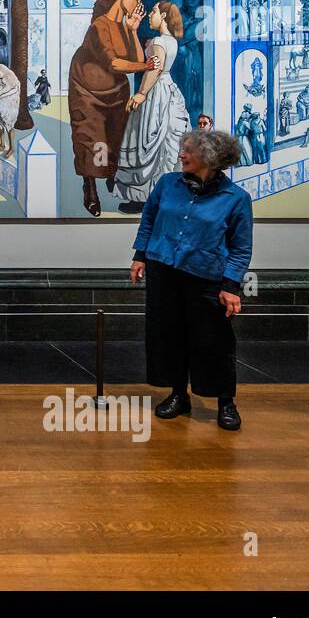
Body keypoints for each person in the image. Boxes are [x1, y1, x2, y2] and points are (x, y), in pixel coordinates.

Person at [130, 129, 252, 431]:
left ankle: (226, 402)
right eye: (183, 149)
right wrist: (139, 255)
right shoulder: (167, 184)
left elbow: (241, 247)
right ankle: (177, 394)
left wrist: (230, 286)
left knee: (214, 341)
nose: (181, 155)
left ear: (210, 159)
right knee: (168, 335)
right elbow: (149, 218)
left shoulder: (236, 198)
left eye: (189, 151)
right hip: (164, 271)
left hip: (206, 276)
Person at [67, 0, 158, 216]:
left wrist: (134, 31)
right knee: (92, 139)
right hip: (88, 90)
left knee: (115, 138)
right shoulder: (99, 25)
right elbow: (115, 63)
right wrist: (145, 67)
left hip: (116, 92)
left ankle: (111, 178)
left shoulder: (125, 26)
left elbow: (137, 59)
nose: (140, 4)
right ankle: (90, 189)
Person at [114, 1, 192, 213]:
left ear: (164, 16)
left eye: (154, 11)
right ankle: (158, 196)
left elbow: (154, 70)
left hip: (156, 92)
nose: (150, 14)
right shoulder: (171, 41)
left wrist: (140, 93)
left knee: (148, 139)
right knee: (160, 142)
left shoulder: (159, 41)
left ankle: (144, 197)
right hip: (168, 90)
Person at [0, 64, 22, 158]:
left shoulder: (11, 77)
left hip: (9, 108)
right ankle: (2, 144)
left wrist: (1, 95)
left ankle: (11, 148)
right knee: (0, 125)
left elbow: (14, 90)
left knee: (9, 126)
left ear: (2, 70)